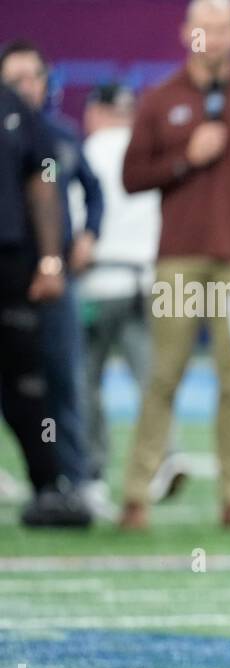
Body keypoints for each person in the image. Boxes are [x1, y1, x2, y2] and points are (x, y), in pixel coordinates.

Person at [119, 0, 230, 531]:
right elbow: (132, 176)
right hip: (177, 261)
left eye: (222, 27)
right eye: (204, 27)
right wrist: (184, 159)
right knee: (162, 377)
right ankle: (134, 495)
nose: (213, 37)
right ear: (187, 33)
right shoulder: (160, 98)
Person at [79, 83, 189, 516]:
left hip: (99, 280)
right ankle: (169, 452)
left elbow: (74, 213)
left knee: (86, 380)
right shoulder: (152, 153)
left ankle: (90, 473)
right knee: (153, 377)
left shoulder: (87, 152)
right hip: (149, 278)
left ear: (95, 113)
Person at [1, 41, 102, 512]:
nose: (25, 87)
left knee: (59, 378)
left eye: (33, 77)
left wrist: (86, 236)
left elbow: (92, 190)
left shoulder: (59, 136)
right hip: (17, 268)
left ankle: (72, 479)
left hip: (46, 273)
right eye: (15, 78)